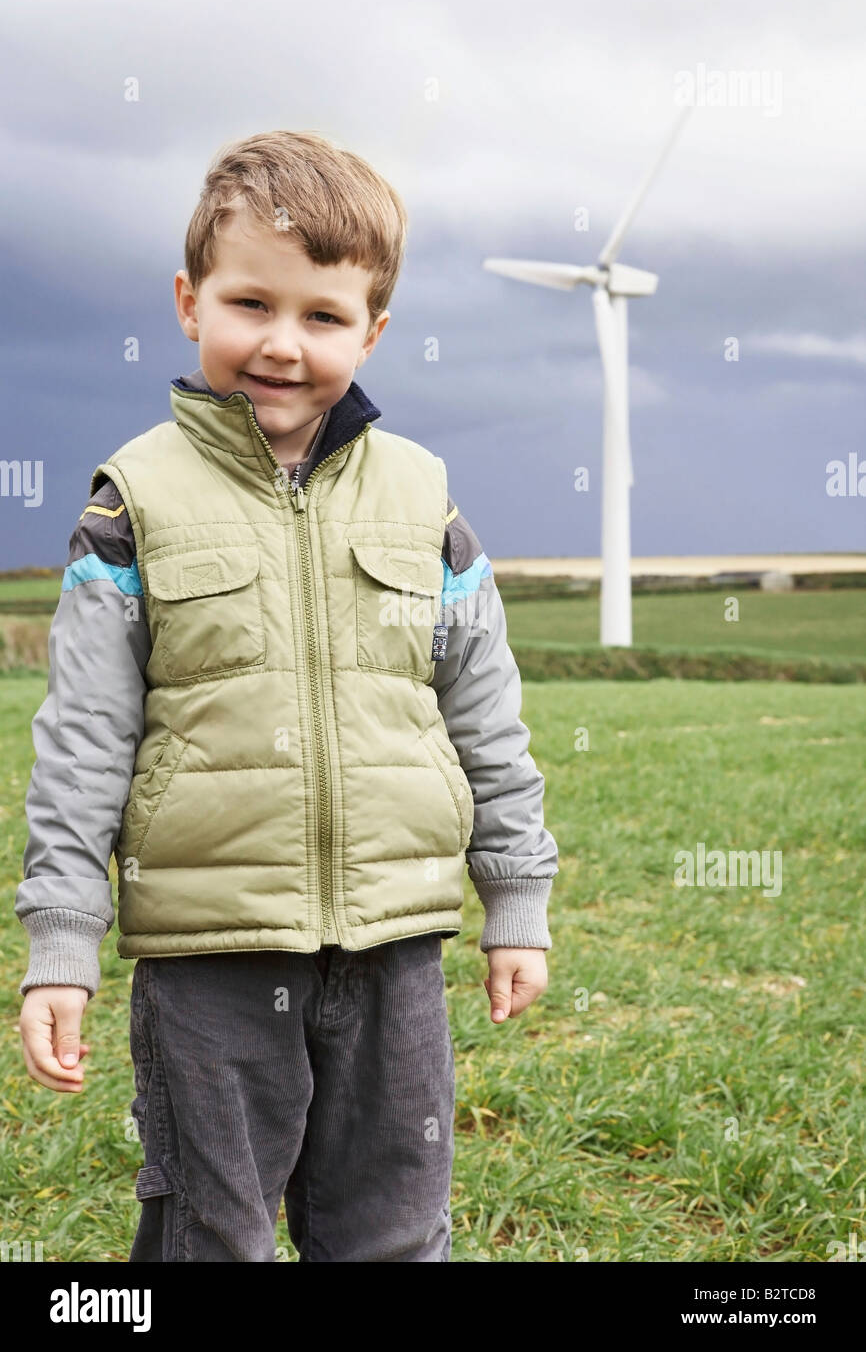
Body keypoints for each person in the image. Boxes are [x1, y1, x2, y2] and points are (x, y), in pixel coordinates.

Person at [14, 129, 559, 1262]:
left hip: (394, 949)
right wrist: (62, 940)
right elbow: (81, 744)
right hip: (209, 958)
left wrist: (515, 894)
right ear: (187, 299)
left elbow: (485, 715)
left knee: (395, 1228)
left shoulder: (424, 501)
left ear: (373, 330)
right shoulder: (132, 504)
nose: (280, 343)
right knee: (210, 1233)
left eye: (321, 316)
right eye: (248, 303)